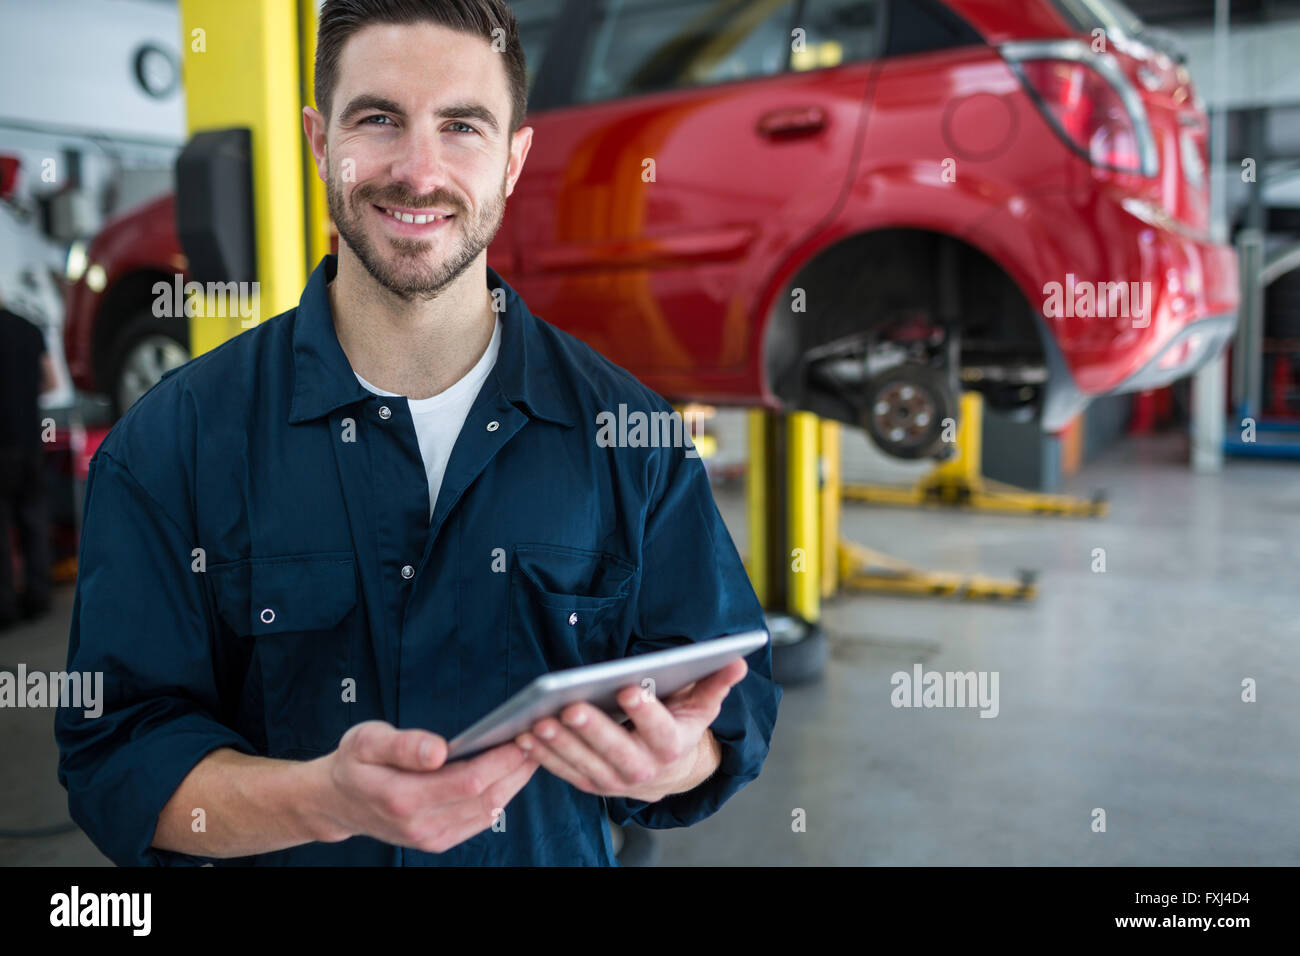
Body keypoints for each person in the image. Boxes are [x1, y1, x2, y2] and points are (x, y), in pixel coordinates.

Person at [55, 0, 780, 866]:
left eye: (463, 126)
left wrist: (672, 761)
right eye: (379, 120)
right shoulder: (172, 445)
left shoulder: (632, 440)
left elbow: (726, 714)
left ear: (514, 161)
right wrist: (318, 801)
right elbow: (116, 760)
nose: (419, 169)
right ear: (321, 143)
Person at [0, 300, 57, 630]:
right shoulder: (28, 327)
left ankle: (4, 607)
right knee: (34, 520)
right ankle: (39, 596)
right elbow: (50, 382)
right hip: (29, 440)